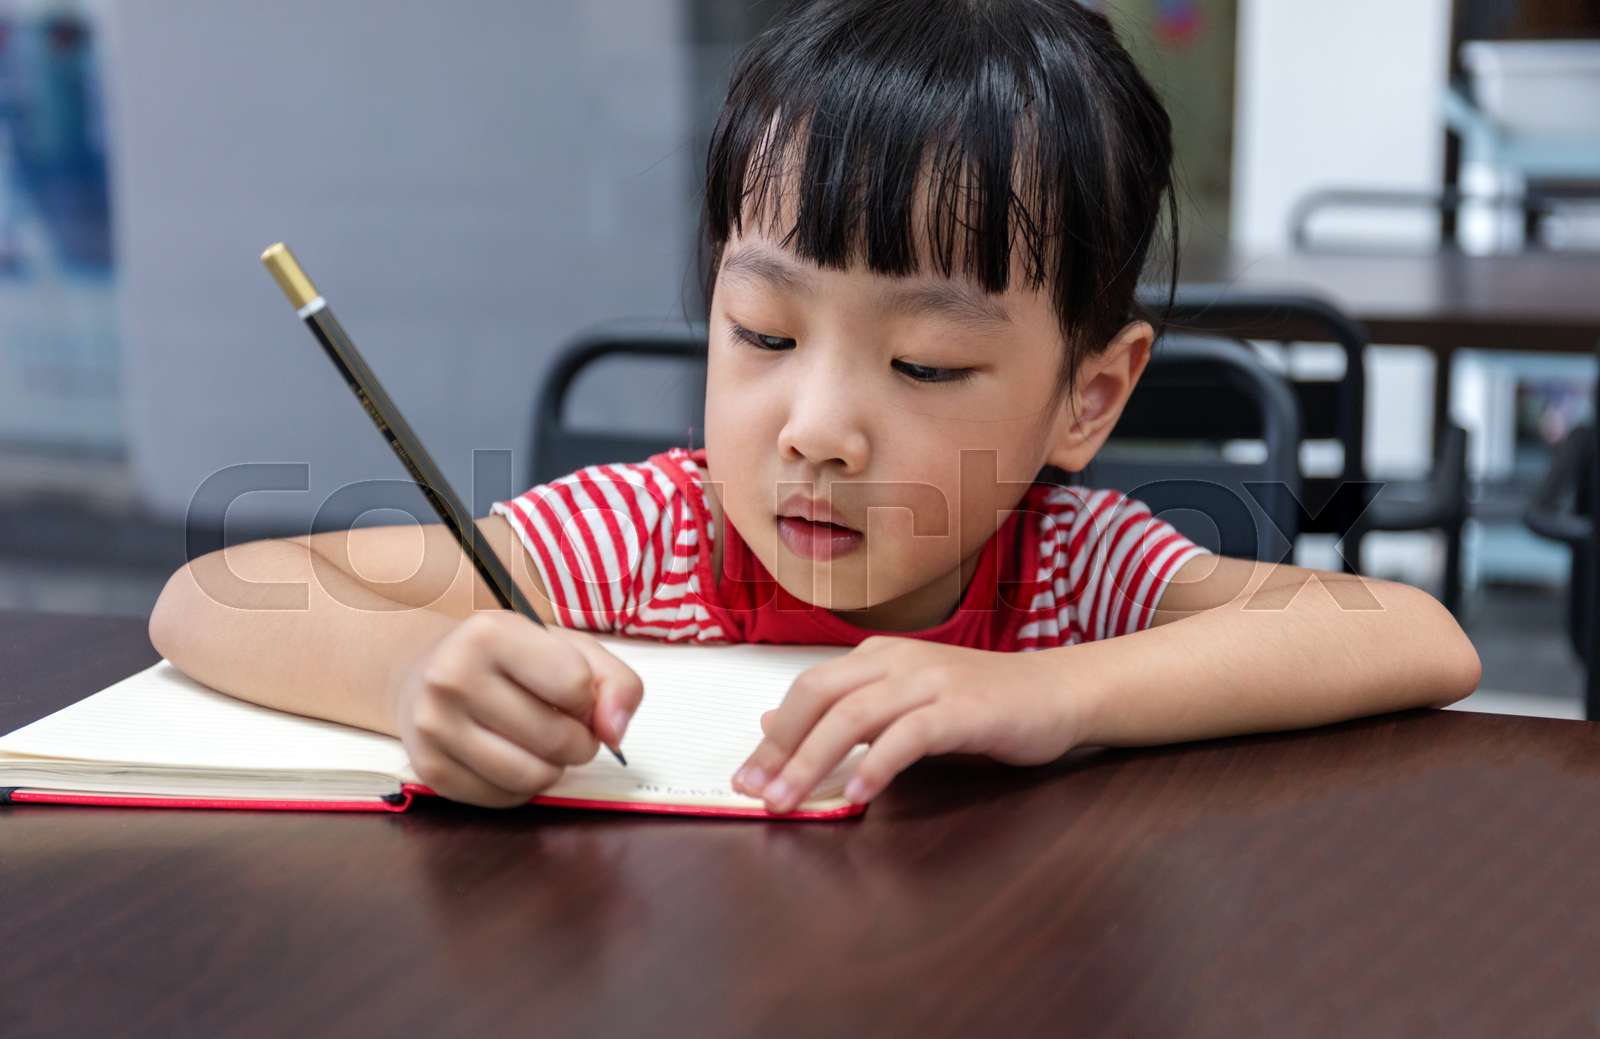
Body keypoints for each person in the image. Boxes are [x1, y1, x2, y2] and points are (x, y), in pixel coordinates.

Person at [148, 0, 1480, 814]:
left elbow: (1417, 639)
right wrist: (408, 678)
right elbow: (211, 598)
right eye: (765, 335)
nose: (818, 428)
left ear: (1089, 398)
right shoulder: (642, 541)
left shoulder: (1068, 570)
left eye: (927, 366)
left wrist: (1055, 692)